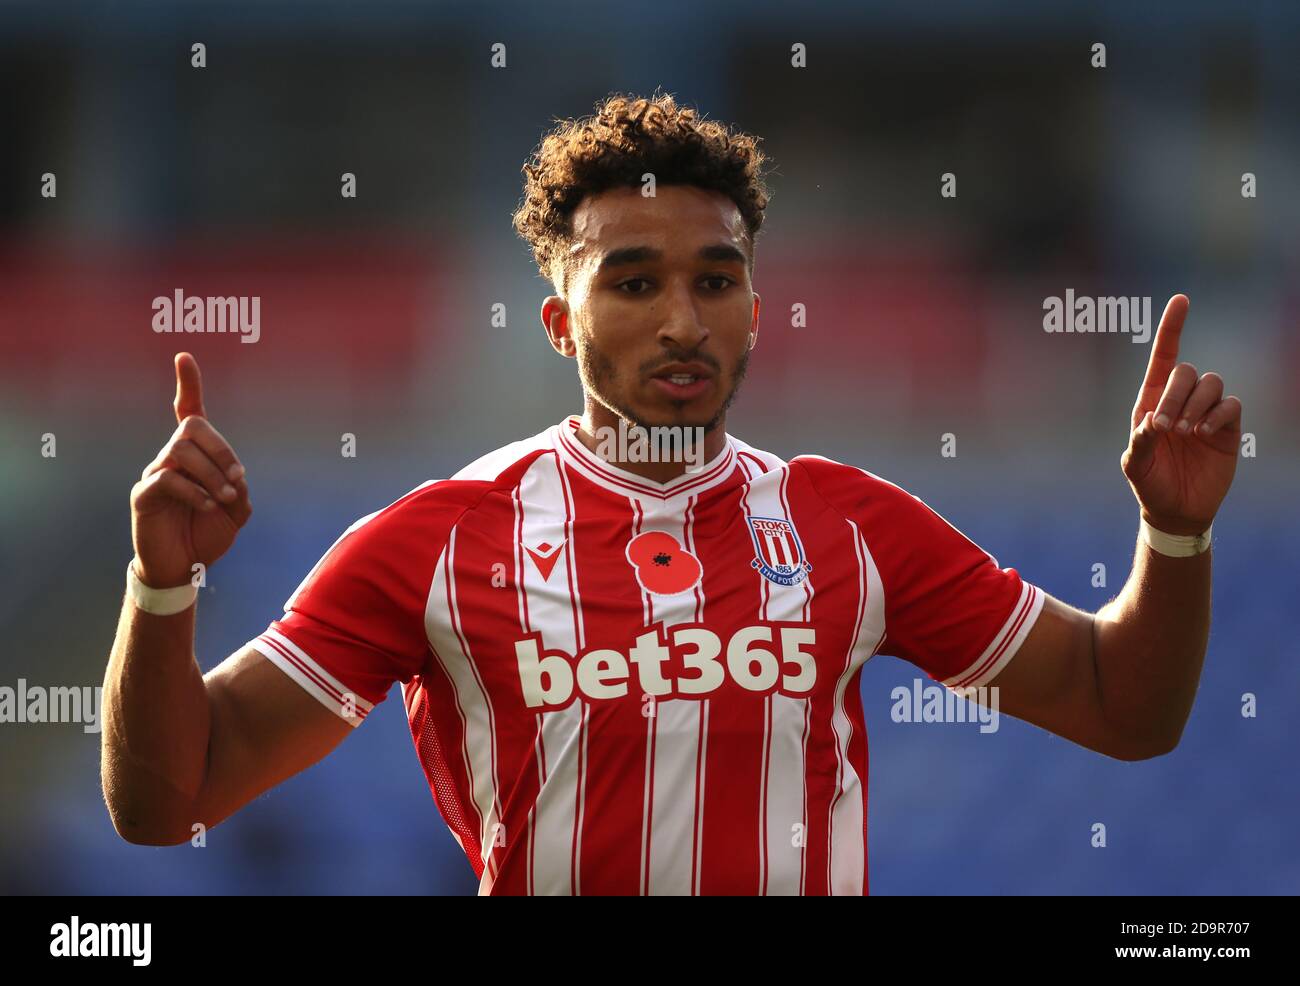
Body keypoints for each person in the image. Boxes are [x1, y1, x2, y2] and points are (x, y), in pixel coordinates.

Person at [101, 93, 1243, 895]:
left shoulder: (849, 525)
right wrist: (161, 584)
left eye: (716, 279)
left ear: (754, 306)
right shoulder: (437, 542)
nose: (683, 321)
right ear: (559, 322)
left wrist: (1172, 533)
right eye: (634, 282)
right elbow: (167, 801)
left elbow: (1121, 707)